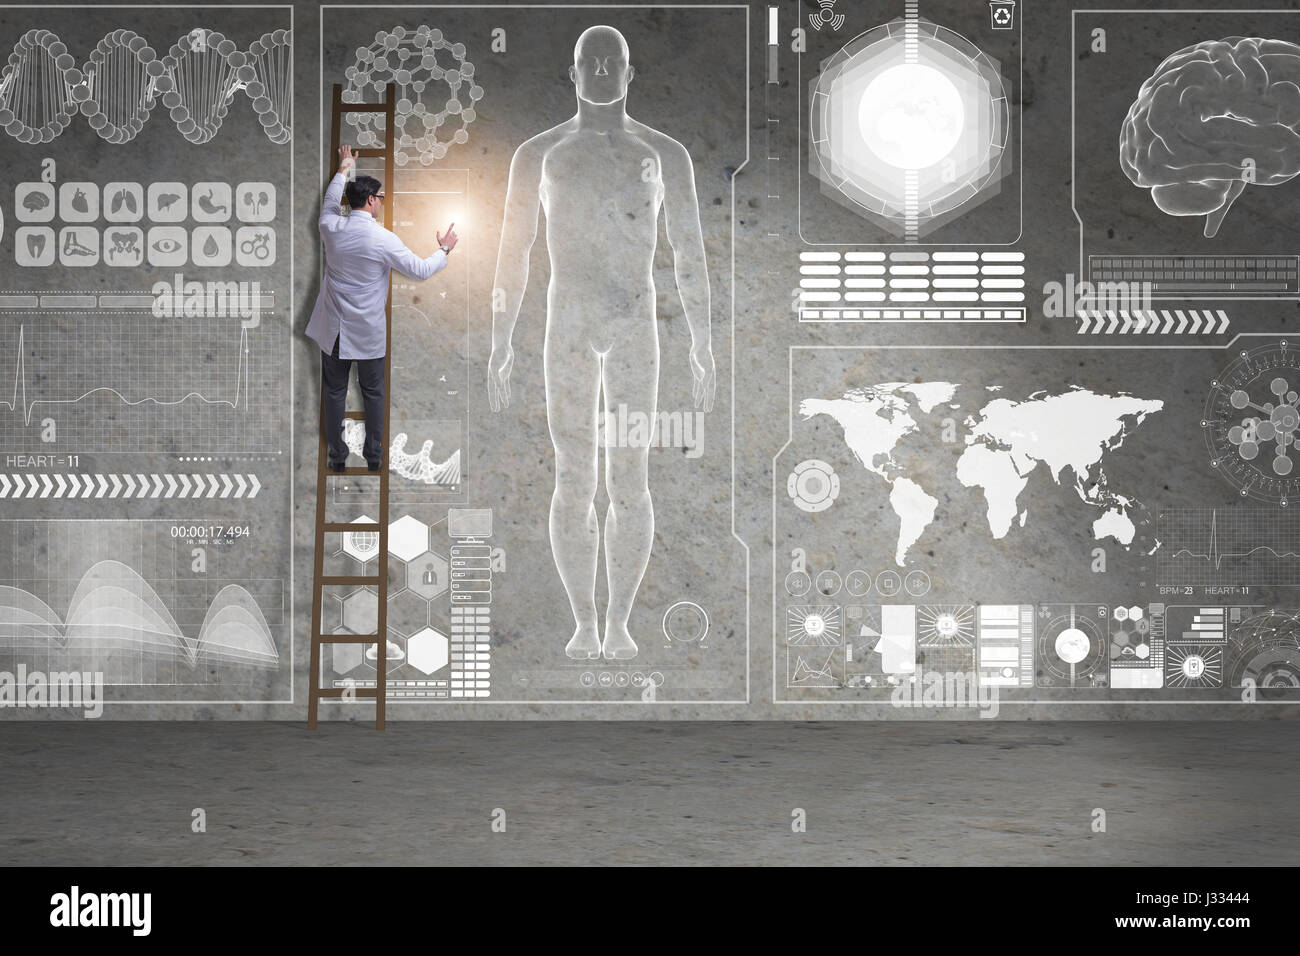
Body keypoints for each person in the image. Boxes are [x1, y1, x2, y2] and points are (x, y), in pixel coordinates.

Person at [487, 25, 716, 660]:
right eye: (591, 60)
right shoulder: (540, 154)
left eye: (613, 60)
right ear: (573, 71)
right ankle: (584, 623)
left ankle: (619, 624)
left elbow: (689, 254)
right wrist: (500, 340)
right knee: (572, 476)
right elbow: (513, 252)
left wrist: (702, 343)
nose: (602, 70)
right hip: (570, 320)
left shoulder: (665, 154)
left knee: (631, 480)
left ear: (630, 72)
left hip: (634, 318)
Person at [307, 145, 459, 472]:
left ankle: (337, 455)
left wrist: (344, 166)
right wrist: (444, 248)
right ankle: (374, 455)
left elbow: (331, 201)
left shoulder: (330, 227)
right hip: (368, 333)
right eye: (381, 199)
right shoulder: (382, 239)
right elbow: (420, 269)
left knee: (334, 393)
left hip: (332, 330)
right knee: (373, 393)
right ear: (372, 200)